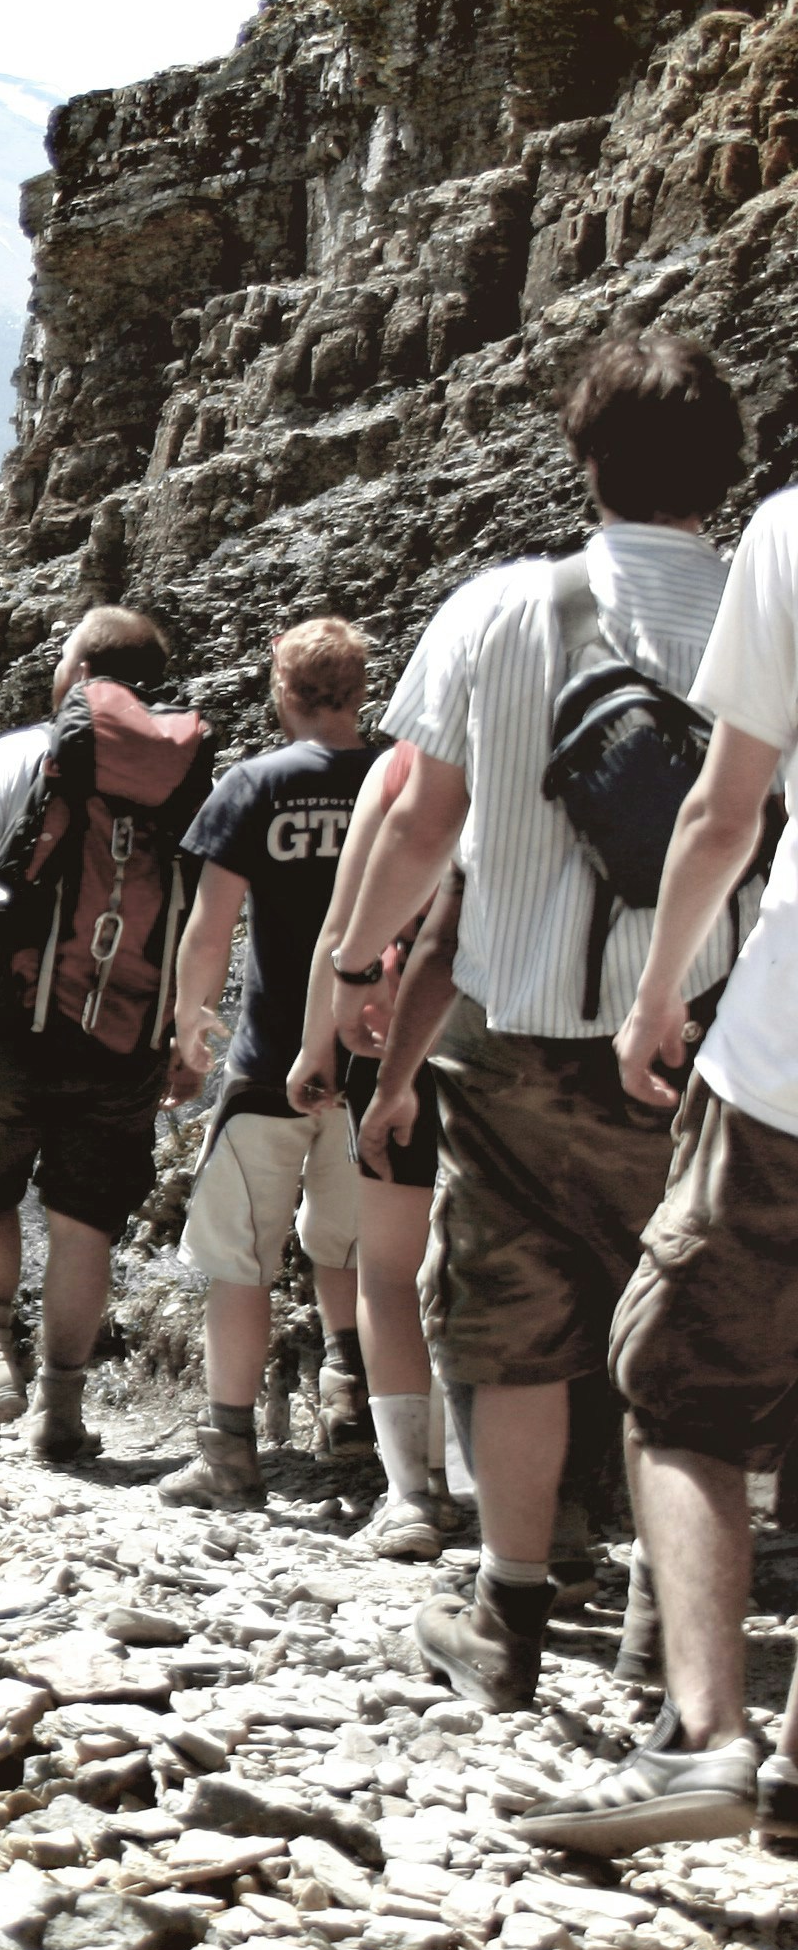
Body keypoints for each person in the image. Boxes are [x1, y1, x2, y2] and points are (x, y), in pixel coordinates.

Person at [322, 331, 749, 1714]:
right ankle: (656, 1629)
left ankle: (509, 1616)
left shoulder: (498, 609)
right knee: (689, 1338)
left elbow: (423, 818)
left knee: (507, 1325)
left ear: (584, 456)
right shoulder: (767, 613)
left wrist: (355, 959)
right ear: (725, 471)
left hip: (508, 1046)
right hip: (704, 1049)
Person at [510, 480, 798, 1852]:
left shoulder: (792, 534)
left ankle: (706, 1735)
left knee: (681, 1382)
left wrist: (660, 992)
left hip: (786, 1071)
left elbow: (724, 810)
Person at [0, 606, 191, 1464]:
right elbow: (206, 920)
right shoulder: (188, 776)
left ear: (78, 671)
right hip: (129, 1035)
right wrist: (184, 1030)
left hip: (7, 1024)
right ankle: (62, 1409)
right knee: (85, 1222)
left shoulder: (24, 755)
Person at [155, 619, 381, 1514]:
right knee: (354, 1240)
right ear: (362, 691)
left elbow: (210, 931)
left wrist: (187, 1033)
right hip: (377, 1059)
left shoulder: (253, 786)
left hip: (267, 1058)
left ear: (282, 695)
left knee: (240, 1256)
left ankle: (229, 1451)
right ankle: (352, 1397)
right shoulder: (400, 778)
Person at [283, 738, 467, 1562]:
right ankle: (547, 1510)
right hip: (553, 1038)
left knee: (390, 1269)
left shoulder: (403, 768)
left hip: (408, 1039)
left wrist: (319, 1042)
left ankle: (412, 1494)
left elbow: (345, 915)